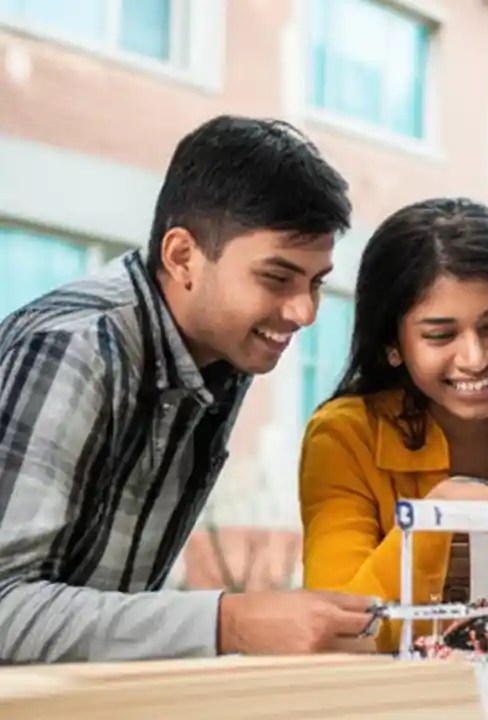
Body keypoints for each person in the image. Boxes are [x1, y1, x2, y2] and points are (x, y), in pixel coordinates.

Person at [0, 115, 380, 663]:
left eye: (315, 282)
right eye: (277, 278)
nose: (304, 311)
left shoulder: (222, 354)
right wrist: (231, 623)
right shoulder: (78, 348)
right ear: (182, 257)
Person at [298, 198, 488, 653]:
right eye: (440, 335)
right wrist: (434, 516)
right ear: (392, 345)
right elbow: (338, 630)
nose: (475, 358)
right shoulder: (344, 436)